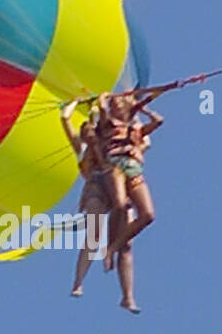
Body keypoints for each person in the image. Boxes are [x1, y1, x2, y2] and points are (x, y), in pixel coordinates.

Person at [95, 91, 164, 296]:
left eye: (119, 103)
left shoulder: (136, 128)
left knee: (148, 215)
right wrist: (103, 99)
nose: (116, 106)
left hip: (134, 169)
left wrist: (143, 108)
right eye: (114, 104)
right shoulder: (107, 124)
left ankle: (113, 247)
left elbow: (159, 121)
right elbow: (101, 109)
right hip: (114, 166)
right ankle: (109, 247)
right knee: (120, 205)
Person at [59, 99, 114, 298]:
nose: (88, 130)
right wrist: (75, 103)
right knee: (94, 236)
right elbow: (65, 118)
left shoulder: (107, 142)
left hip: (113, 189)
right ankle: (78, 282)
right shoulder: (82, 149)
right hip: (96, 191)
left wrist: (99, 106)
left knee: (126, 218)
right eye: (84, 129)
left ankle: (111, 253)